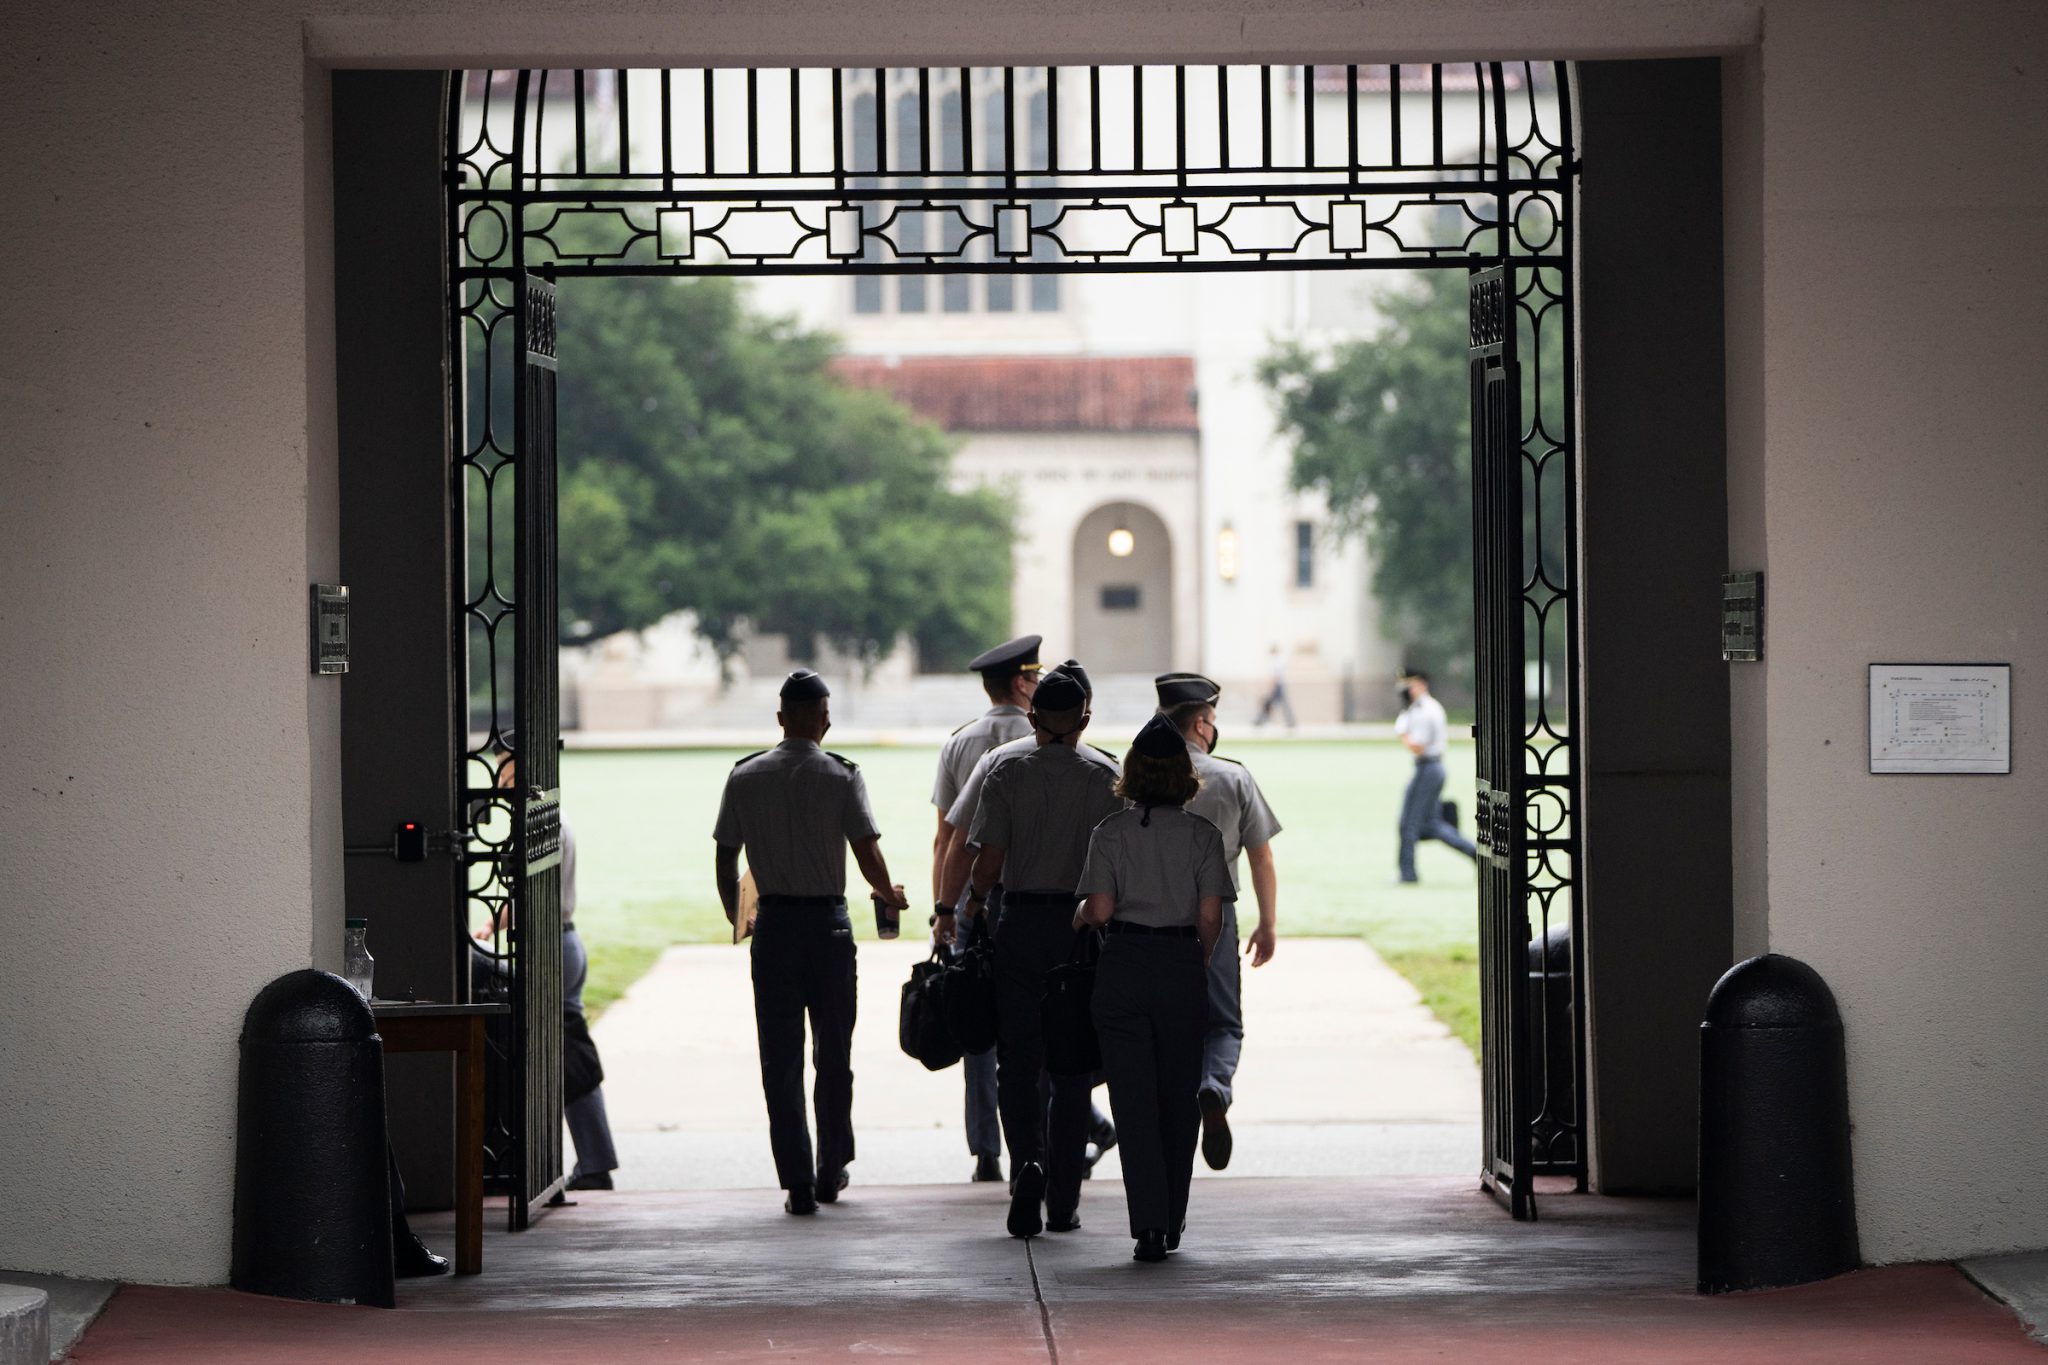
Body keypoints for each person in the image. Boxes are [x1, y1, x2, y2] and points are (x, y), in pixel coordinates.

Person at [712, 669, 909, 1215]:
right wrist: (885, 892)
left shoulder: (745, 776)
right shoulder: (842, 776)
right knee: (834, 1053)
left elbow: (726, 854)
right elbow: (866, 849)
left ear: (780, 719)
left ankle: (796, 1179)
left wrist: (738, 916)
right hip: (828, 927)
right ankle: (831, 1165)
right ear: (824, 719)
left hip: (772, 926)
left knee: (779, 1058)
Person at [938, 657, 1120, 1171]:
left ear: (1033, 716)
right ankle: (1064, 1191)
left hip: (1018, 921)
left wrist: (971, 903)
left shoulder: (1004, 769)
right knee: (1072, 1063)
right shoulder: (1108, 775)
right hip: (1080, 930)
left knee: (1018, 1060)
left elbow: (987, 860)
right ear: (1084, 720)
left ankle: (1025, 1172)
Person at [1075, 713, 1230, 1263]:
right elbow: (1211, 917)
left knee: (1133, 1102)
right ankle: (1174, 1216)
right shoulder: (1203, 836)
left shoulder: (1110, 833)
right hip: (1180, 963)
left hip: (1124, 964)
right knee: (1177, 1100)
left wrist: (1079, 917)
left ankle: (1148, 1224)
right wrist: (1197, 958)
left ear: (1134, 773)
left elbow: (1100, 909)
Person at [1155, 672, 1281, 1171]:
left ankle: (1170, 1111)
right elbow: (1261, 857)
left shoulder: (1139, 775)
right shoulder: (1232, 777)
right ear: (1203, 723)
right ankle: (1214, 1086)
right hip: (1216, 912)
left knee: (1164, 1023)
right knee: (1223, 1021)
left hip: (1151, 913)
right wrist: (1267, 924)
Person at [484, 741, 619, 1192]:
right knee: (569, 1052)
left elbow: (530, 895)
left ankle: (593, 1164)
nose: (502, 787)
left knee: (568, 1057)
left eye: (508, 778)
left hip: (553, 948)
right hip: (564, 943)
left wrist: (490, 923)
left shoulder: (541, 827)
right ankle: (589, 1161)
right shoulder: (555, 822)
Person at [930, 634, 1041, 1183]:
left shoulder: (959, 744)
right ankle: (1052, 1135)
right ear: (1022, 682)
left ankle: (986, 1151)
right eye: (1035, 677)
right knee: (1036, 1019)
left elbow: (943, 839)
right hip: (1028, 898)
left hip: (970, 899)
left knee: (977, 1020)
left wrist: (941, 912)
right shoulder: (1048, 739)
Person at [1394, 668, 1478, 882]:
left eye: (1409, 685)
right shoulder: (1418, 708)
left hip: (1428, 768)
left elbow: (1418, 747)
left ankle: (1408, 873)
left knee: (1409, 822)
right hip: (1429, 768)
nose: (1405, 690)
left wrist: (1402, 732)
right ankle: (1474, 853)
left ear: (1422, 685)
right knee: (1431, 823)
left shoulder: (1426, 710)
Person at [1254, 644, 1296, 729]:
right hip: (1279, 686)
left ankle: (1260, 720)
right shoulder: (1279, 661)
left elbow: (1275, 676)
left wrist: (1271, 687)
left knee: (1269, 703)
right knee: (1281, 704)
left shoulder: (1274, 662)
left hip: (1276, 686)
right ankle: (1260, 720)